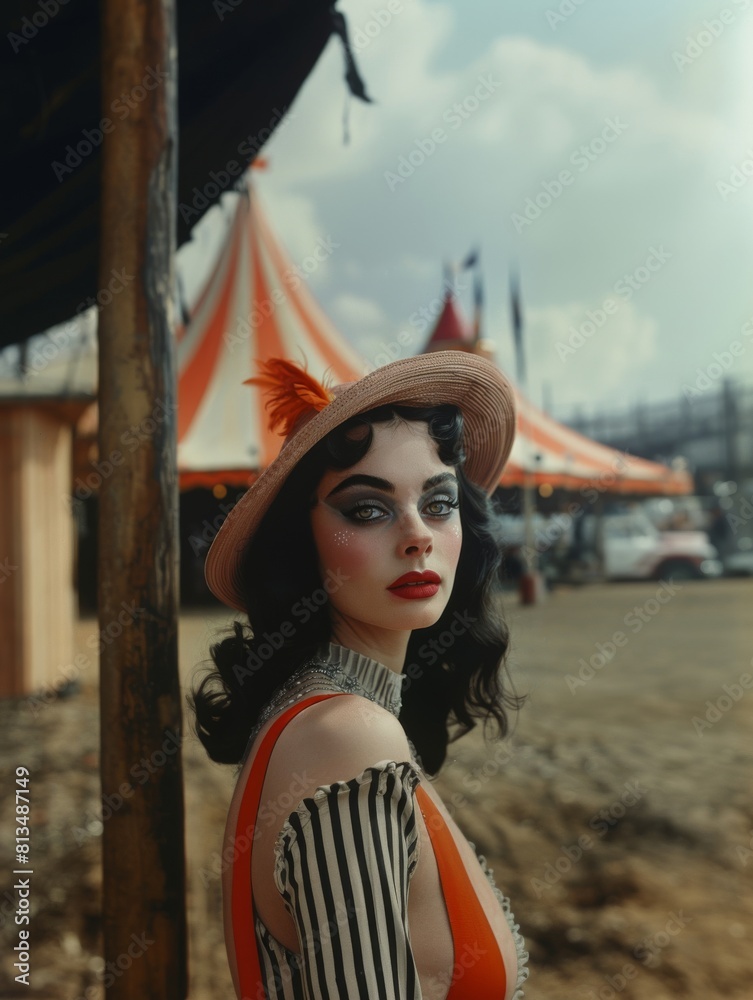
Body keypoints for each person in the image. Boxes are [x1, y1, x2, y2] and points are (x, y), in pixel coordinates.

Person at [190, 352, 530, 999]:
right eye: (367, 510)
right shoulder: (344, 740)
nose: (416, 536)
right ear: (303, 541)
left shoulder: (323, 716)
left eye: (437, 502)